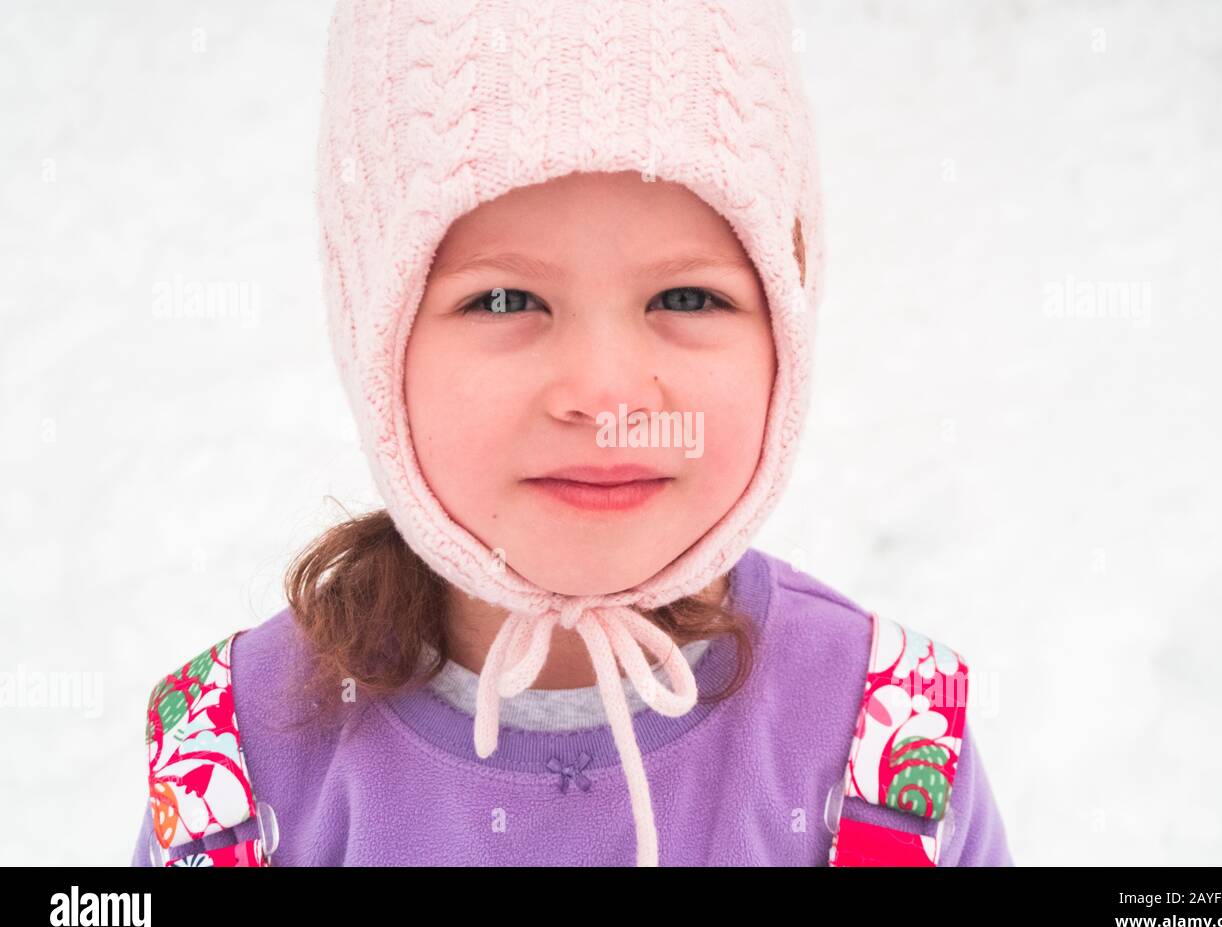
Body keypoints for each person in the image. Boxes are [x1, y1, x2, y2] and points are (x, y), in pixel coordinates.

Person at [131, 0, 1012, 867]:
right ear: (377, 341)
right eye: (506, 300)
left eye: (687, 297)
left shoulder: (890, 746)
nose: (605, 395)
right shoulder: (237, 769)